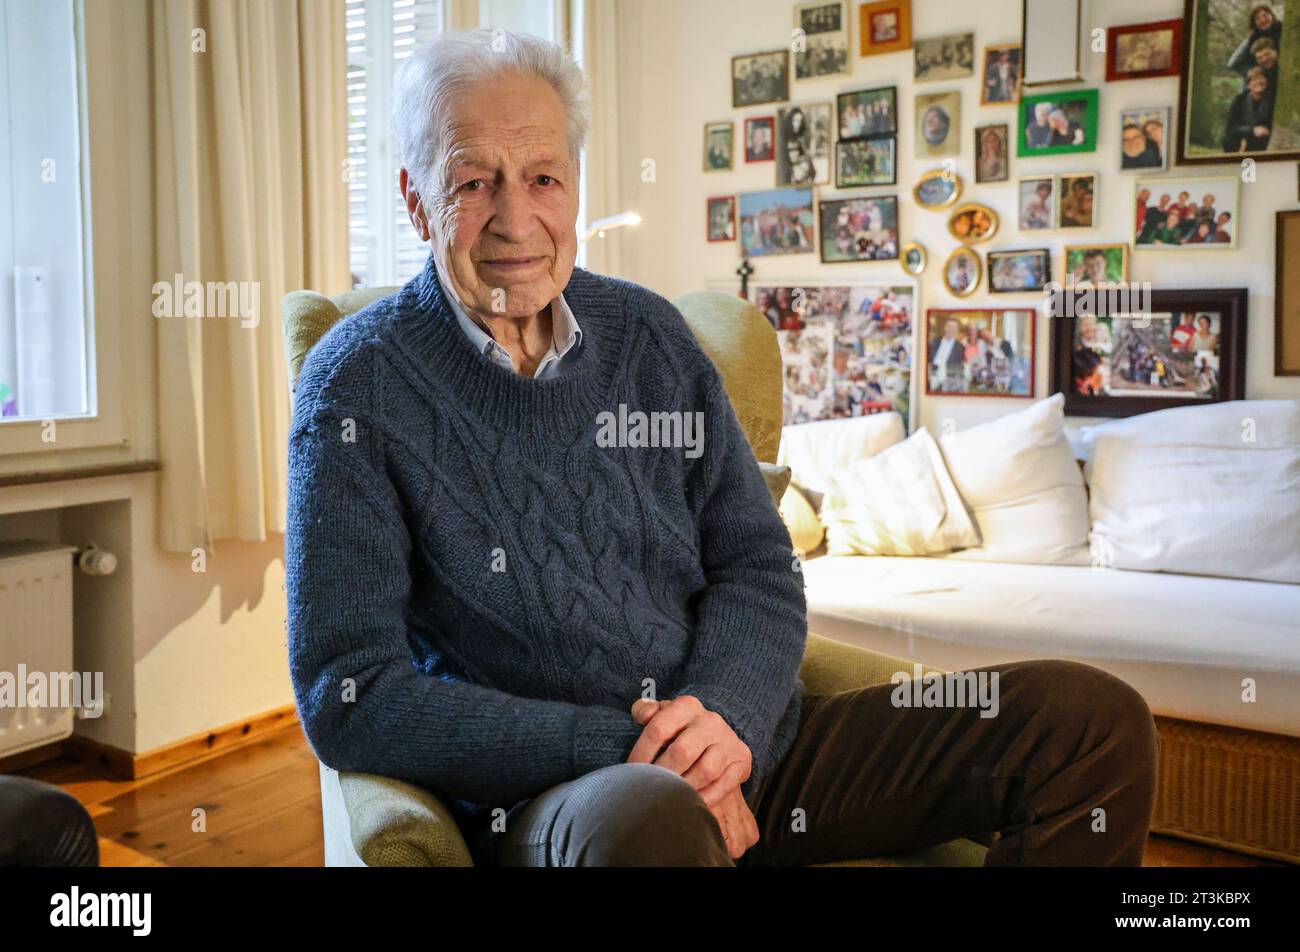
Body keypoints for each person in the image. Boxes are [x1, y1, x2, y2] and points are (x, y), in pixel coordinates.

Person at [286, 27, 1158, 868]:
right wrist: (634, 747)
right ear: (413, 196)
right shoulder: (354, 387)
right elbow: (348, 690)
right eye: (474, 182)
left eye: (544, 177)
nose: (517, 219)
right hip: (564, 793)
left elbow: (756, 562)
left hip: (749, 748)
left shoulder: (648, 337)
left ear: (576, 184)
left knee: (1090, 723)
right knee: (649, 816)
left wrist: (725, 724)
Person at [1223, 66, 1274, 152]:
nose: (1258, 82)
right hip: (1241, 138)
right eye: (1254, 79)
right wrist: (1252, 131)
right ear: (1248, 84)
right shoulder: (1239, 100)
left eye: (1261, 78)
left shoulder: (1272, 101)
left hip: (1263, 142)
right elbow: (1230, 128)